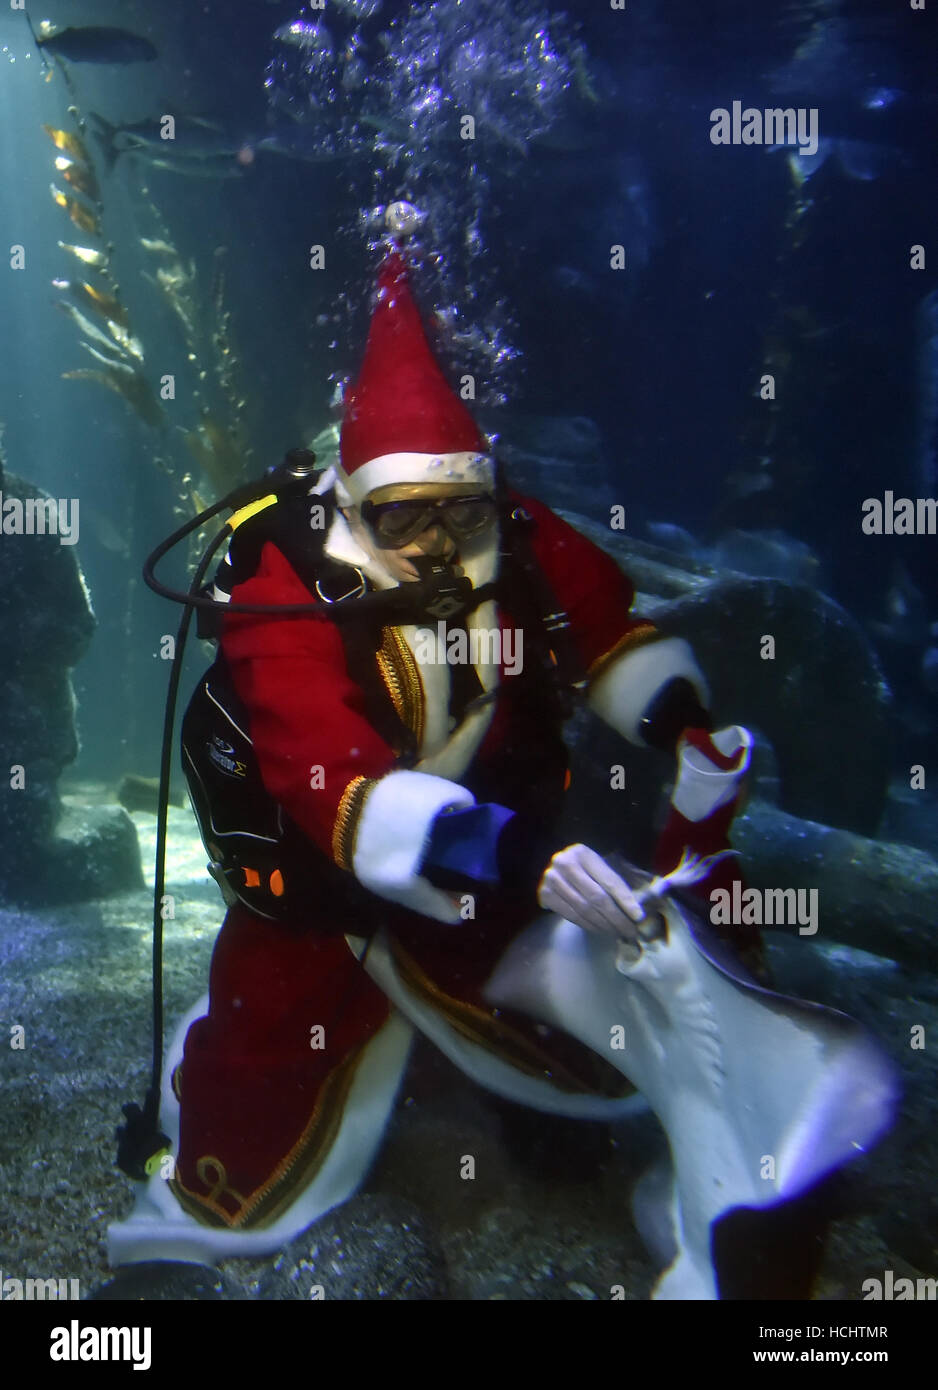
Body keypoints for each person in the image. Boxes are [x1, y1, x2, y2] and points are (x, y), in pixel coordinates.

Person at [110, 224, 757, 1259]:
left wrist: (676, 720)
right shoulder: (282, 585)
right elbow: (324, 769)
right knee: (254, 1112)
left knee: (581, 1054)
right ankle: (198, 1153)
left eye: (459, 513)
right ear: (350, 500)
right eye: (405, 517)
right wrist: (519, 856)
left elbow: (609, 628)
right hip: (319, 886)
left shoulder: (517, 535)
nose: (438, 547)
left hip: (493, 864)